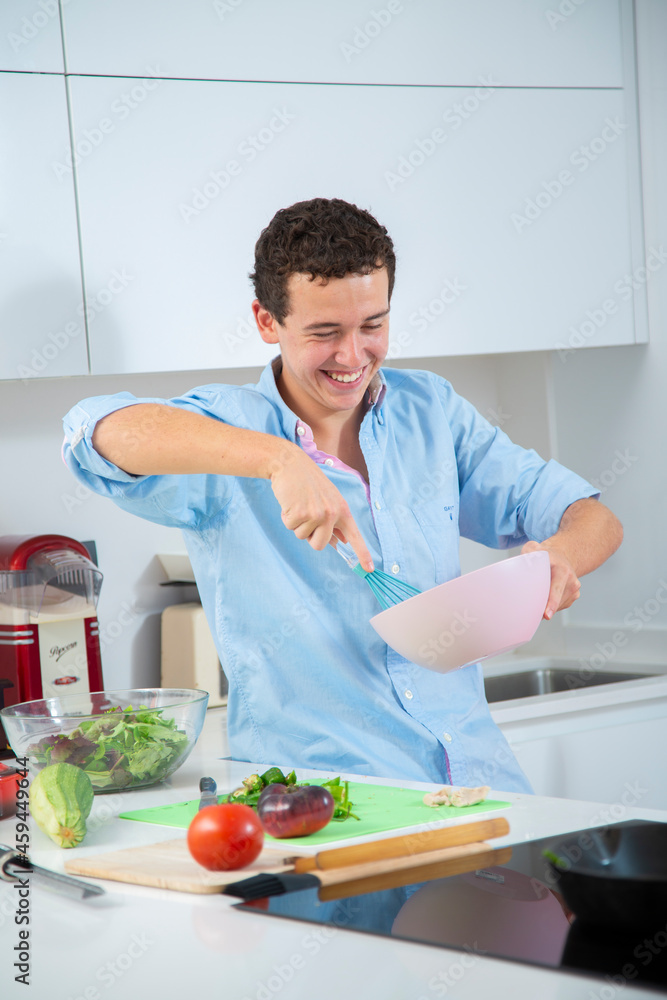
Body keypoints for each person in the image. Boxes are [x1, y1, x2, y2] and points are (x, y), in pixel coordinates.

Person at [62, 198, 623, 793]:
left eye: (372, 326)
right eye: (324, 332)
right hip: (324, 804)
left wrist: (561, 556)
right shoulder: (227, 433)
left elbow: (591, 516)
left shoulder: (429, 410)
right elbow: (93, 431)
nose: (353, 357)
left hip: (480, 787)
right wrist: (277, 460)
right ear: (266, 322)